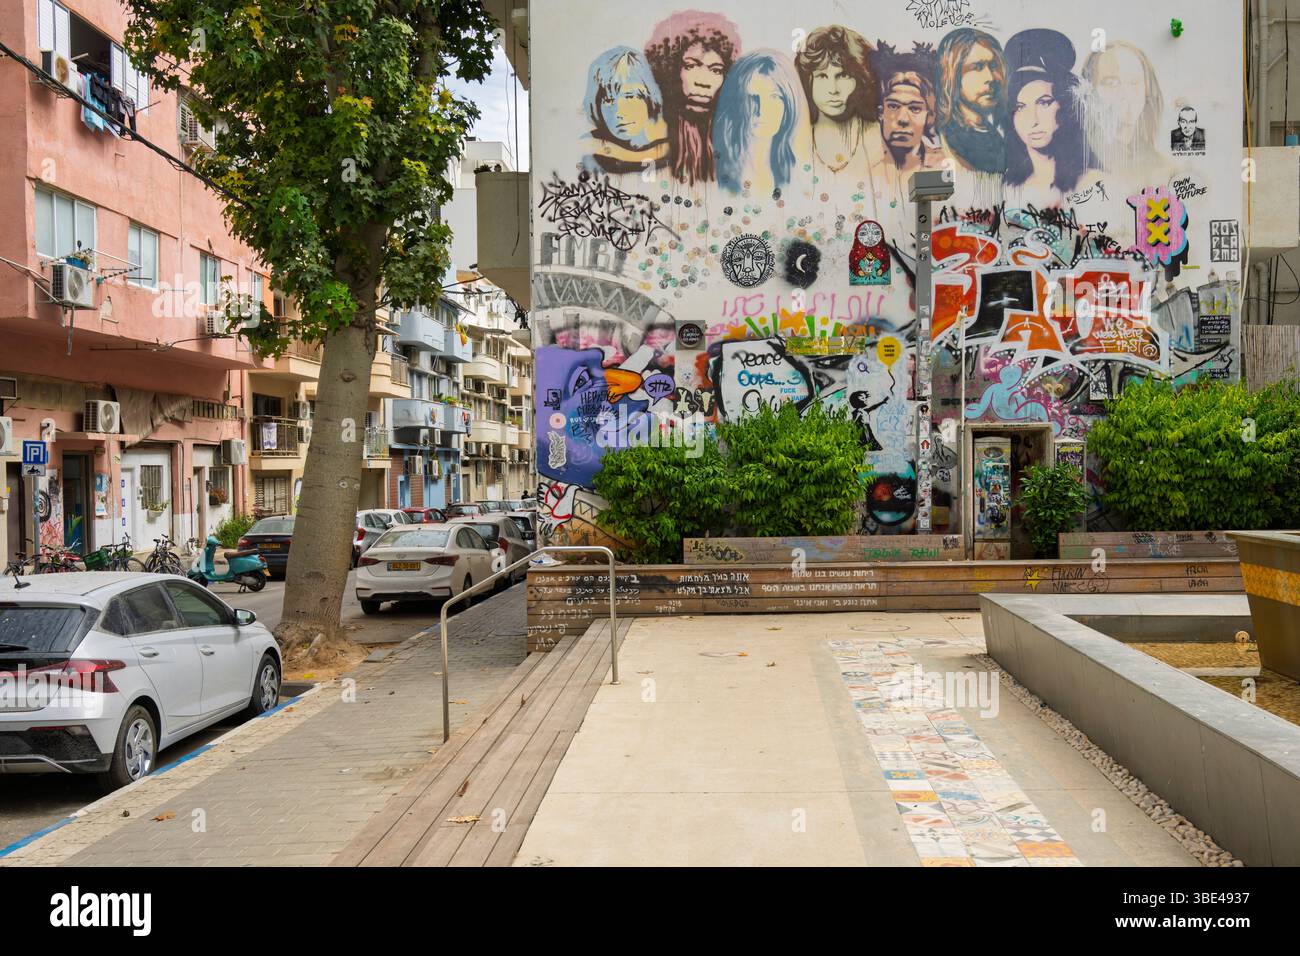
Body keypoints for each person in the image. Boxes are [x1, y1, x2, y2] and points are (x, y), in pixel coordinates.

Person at [644, 11, 742, 186]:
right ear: (670, 68)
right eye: (690, 66)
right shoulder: (651, 138)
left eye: (716, 70)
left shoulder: (736, 144)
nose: (703, 82)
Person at [1002, 28, 1094, 208]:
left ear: (1065, 108)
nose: (1033, 120)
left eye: (1044, 103)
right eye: (1020, 107)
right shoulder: (1005, 188)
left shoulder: (1093, 184)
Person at [713, 50, 806, 196]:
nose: (761, 110)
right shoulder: (715, 170)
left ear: (788, 104)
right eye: (751, 97)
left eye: (774, 97)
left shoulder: (796, 173)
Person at [793, 26, 877, 183]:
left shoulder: (879, 138)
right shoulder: (793, 141)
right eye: (822, 76)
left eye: (843, 75)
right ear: (808, 80)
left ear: (860, 79)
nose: (833, 90)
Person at [580, 46, 669, 175]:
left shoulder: (672, 148)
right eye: (609, 100)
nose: (619, 112)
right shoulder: (587, 148)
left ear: (649, 98)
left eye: (629, 96)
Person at [935, 28, 1006, 176]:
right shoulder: (945, 139)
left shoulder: (995, 136)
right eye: (978, 67)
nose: (990, 78)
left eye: (993, 66)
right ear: (953, 75)